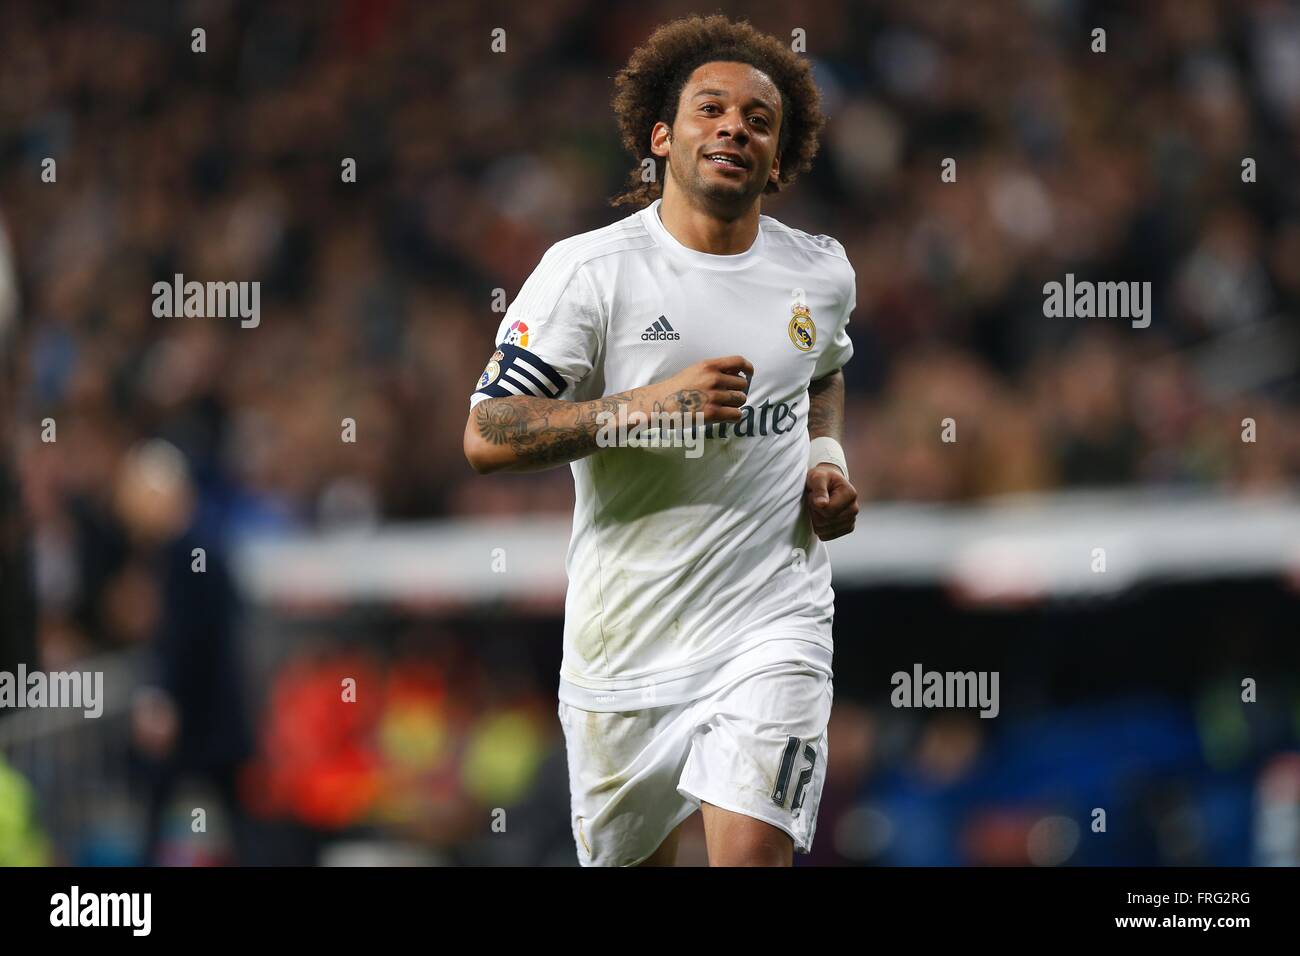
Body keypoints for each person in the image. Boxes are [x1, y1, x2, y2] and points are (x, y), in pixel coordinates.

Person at [462, 14, 857, 866]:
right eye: (711, 109)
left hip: (771, 622)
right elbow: (487, 433)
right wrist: (643, 406)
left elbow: (822, 371)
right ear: (661, 136)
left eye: (759, 121)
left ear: (778, 159)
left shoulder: (820, 273)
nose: (733, 128)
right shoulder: (589, 272)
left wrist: (825, 460)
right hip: (623, 653)